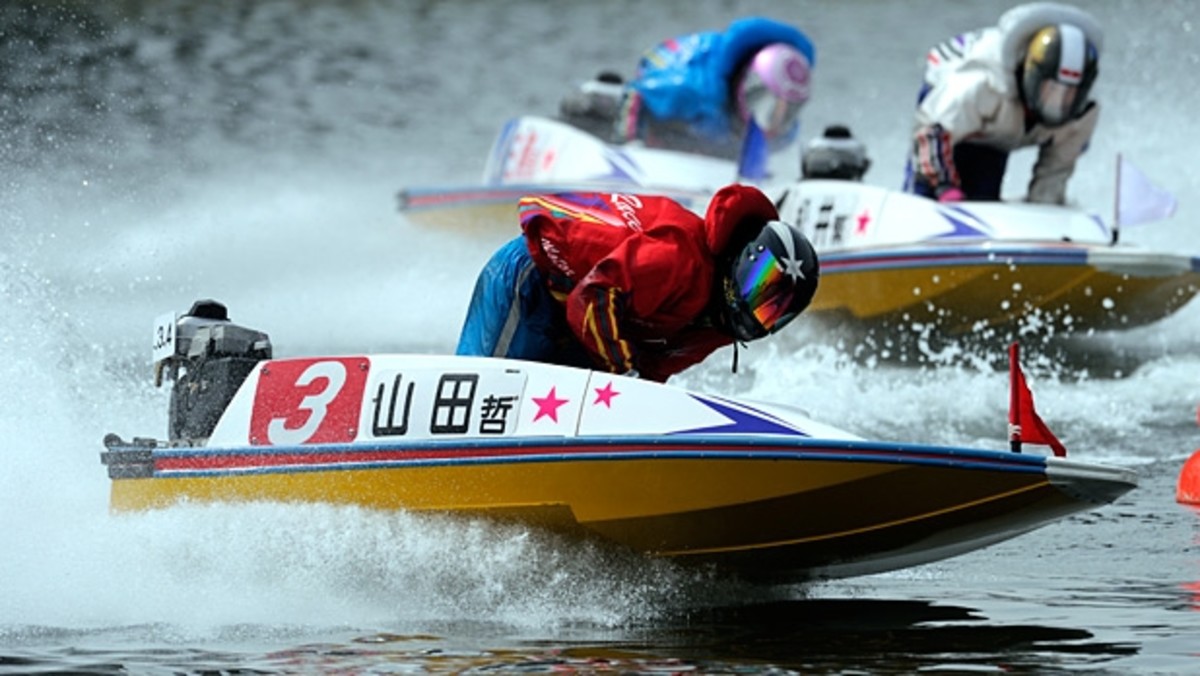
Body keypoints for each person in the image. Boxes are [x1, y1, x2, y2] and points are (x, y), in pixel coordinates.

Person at [455, 184, 820, 383]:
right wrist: (624, 374)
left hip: (585, 325)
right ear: (744, 259)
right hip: (532, 277)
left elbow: (650, 374)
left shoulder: (717, 328)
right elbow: (593, 298)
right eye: (761, 285)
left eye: (775, 307)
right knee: (486, 390)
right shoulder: (682, 258)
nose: (760, 308)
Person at [903, 2, 1102, 204]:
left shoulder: (1082, 115)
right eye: (1050, 89)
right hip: (943, 109)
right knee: (927, 196)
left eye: (1069, 93)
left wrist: (1047, 215)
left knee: (983, 198)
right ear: (1032, 75)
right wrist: (944, 188)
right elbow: (930, 134)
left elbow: (1055, 173)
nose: (1057, 102)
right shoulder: (983, 85)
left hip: (994, 137)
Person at [559, 17, 815, 161]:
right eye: (769, 106)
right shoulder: (692, 90)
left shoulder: (781, 133)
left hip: (703, 144)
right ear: (749, 85)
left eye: (789, 110)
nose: (778, 120)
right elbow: (636, 95)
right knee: (605, 104)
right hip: (664, 84)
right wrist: (628, 150)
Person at [801, 125, 871, 181]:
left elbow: (805, 164)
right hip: (847, 180)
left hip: (814, 179)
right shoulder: (856, 147)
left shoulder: (814, 145)